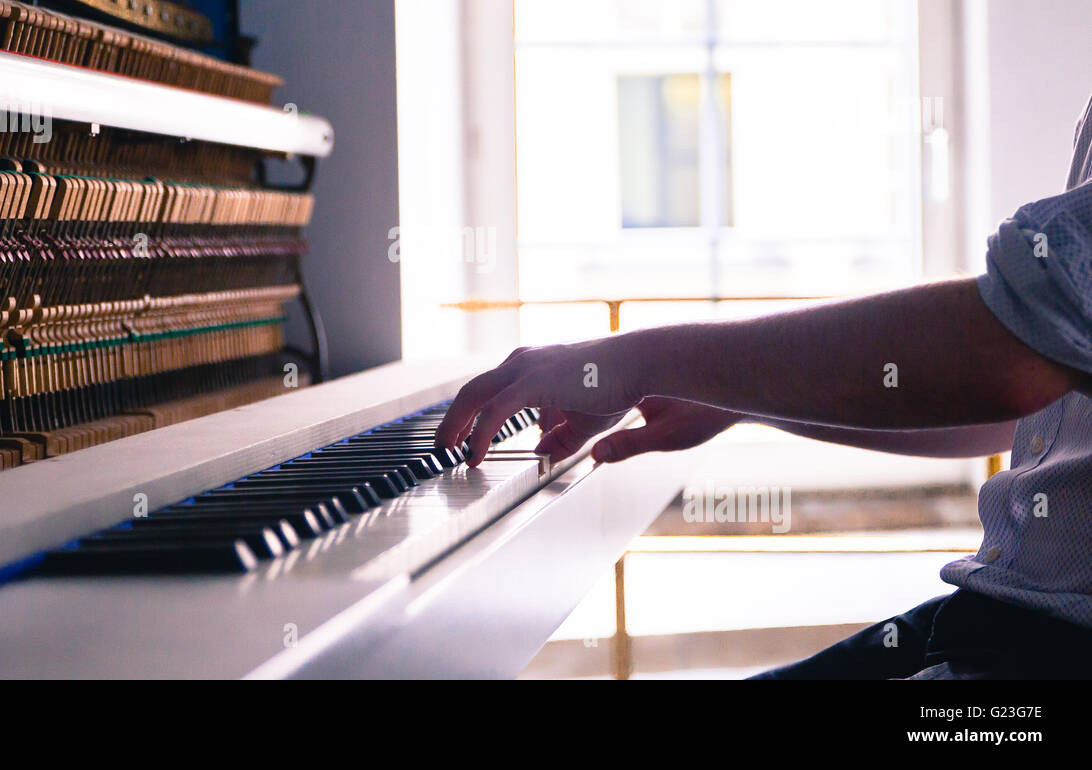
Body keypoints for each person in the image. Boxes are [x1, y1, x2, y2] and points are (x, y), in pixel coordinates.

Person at [434, 97, 1092, 679]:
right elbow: (1023, 397)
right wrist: (732, 396)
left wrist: (641, 358)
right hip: (998, 621)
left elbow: (1005, 353)